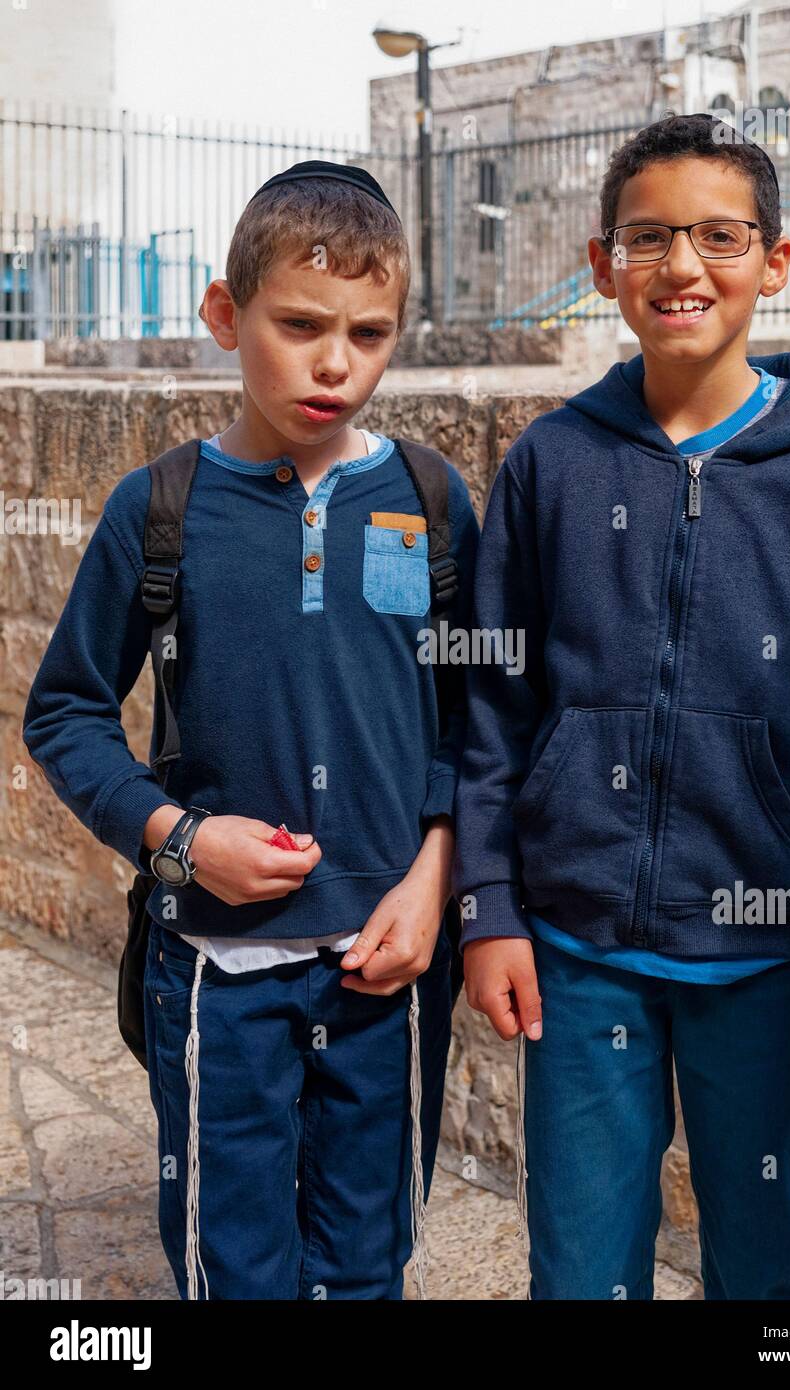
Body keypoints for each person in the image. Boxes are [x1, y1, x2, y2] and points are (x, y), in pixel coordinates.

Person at [453, 113, 790, 1300]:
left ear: (773, 261)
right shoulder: (551, 460)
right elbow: (496, 705)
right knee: (579, 1269)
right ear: (603, 262)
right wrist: (490, 908)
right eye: (649, 236)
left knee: (763, 1270)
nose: (682, 266)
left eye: (719, 236)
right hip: (577, 949)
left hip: (768, 963)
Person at [22, 160, 479, 1300]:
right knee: (233, 1269)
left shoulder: (430, 504)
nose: (336, 362)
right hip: (217, 976)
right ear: (227, 315)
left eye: (370, 333)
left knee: (368, 1265)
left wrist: (435, 875)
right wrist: (179, 839)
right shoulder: (159, 511)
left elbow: (482, 724)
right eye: (300, 324)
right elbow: (66, 712)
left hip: (388, 972)